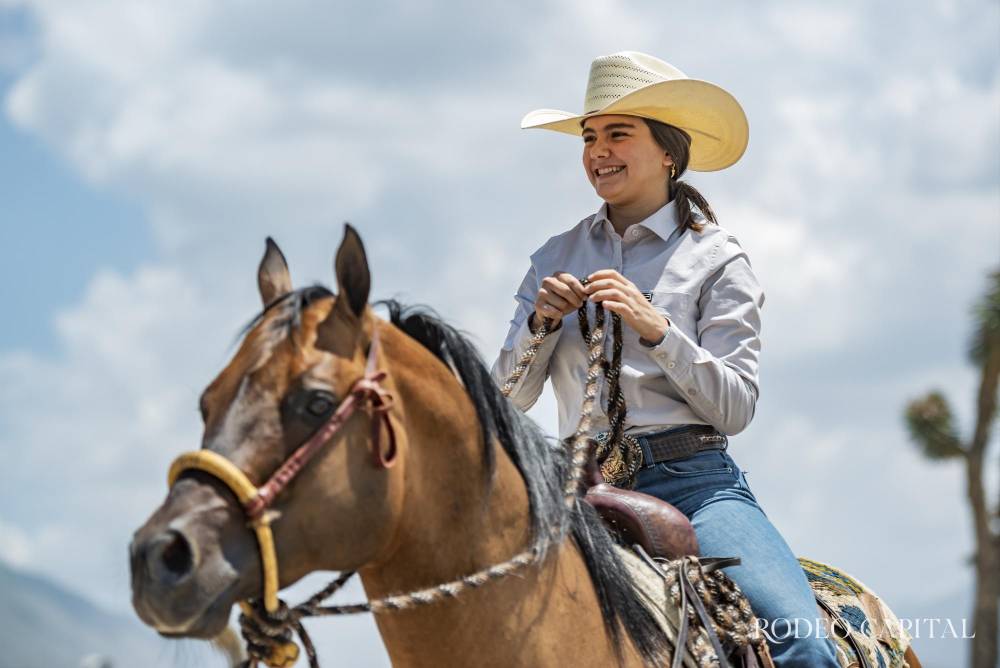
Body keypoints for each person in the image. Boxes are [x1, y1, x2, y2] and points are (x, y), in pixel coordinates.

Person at [490, 51, 841, 667]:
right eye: (589, 137)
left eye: (618, 133)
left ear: (667, 152)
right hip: (576, 487)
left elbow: (734, 408)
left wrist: (658, 330)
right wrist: (542, 324)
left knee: (800, 645)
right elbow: (508, 399)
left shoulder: (717, 259)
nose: (598, 149)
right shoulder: (552, 256)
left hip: (694, 486)